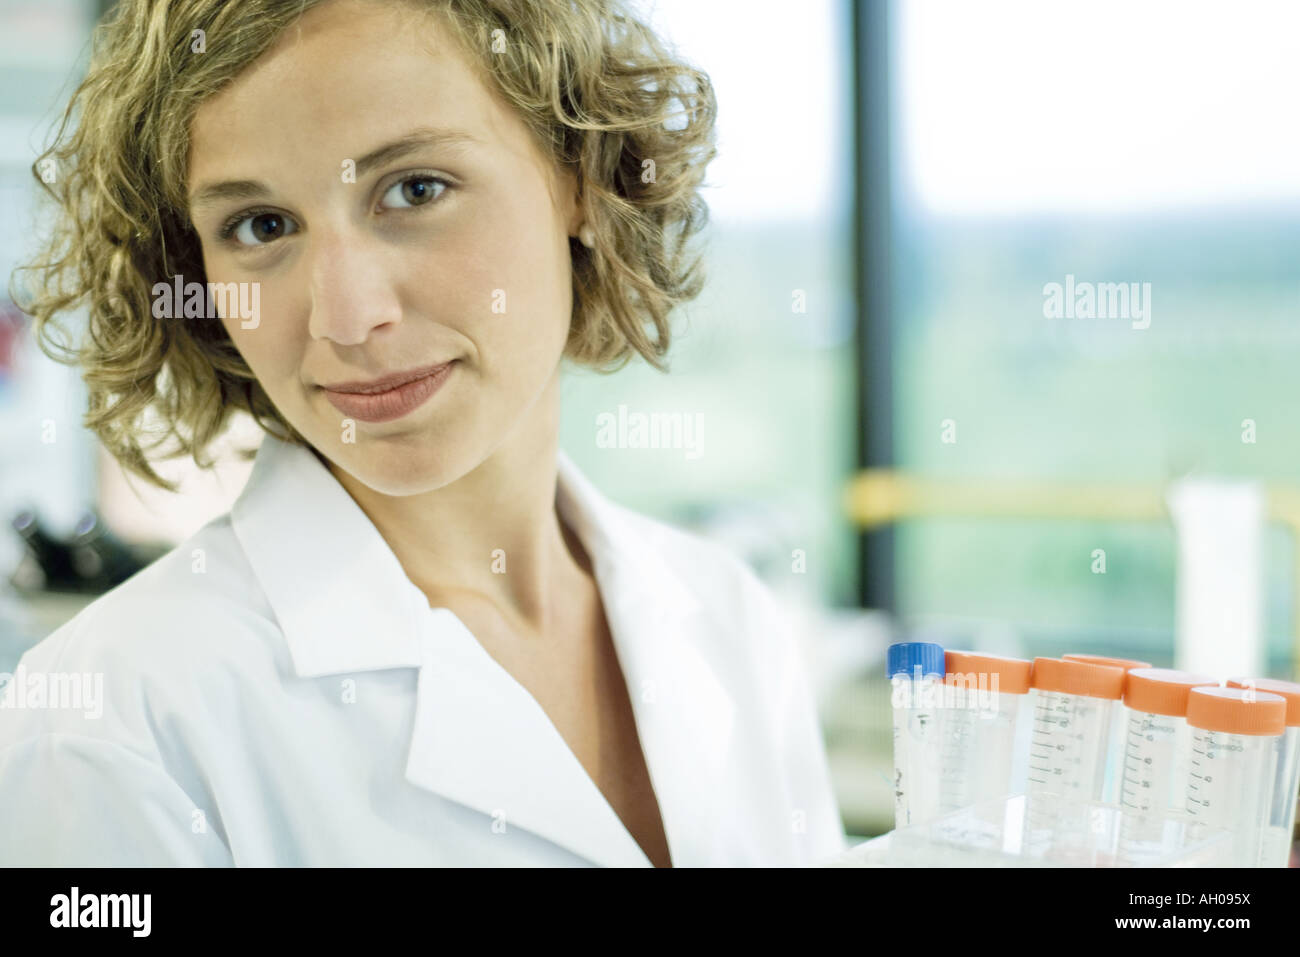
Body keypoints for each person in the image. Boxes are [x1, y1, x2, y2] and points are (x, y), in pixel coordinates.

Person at [0, 0, 846, 867]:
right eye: (261, 226)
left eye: (414, 189)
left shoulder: (731, 622)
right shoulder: (108, 725)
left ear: (581, 176)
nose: (346, 316)